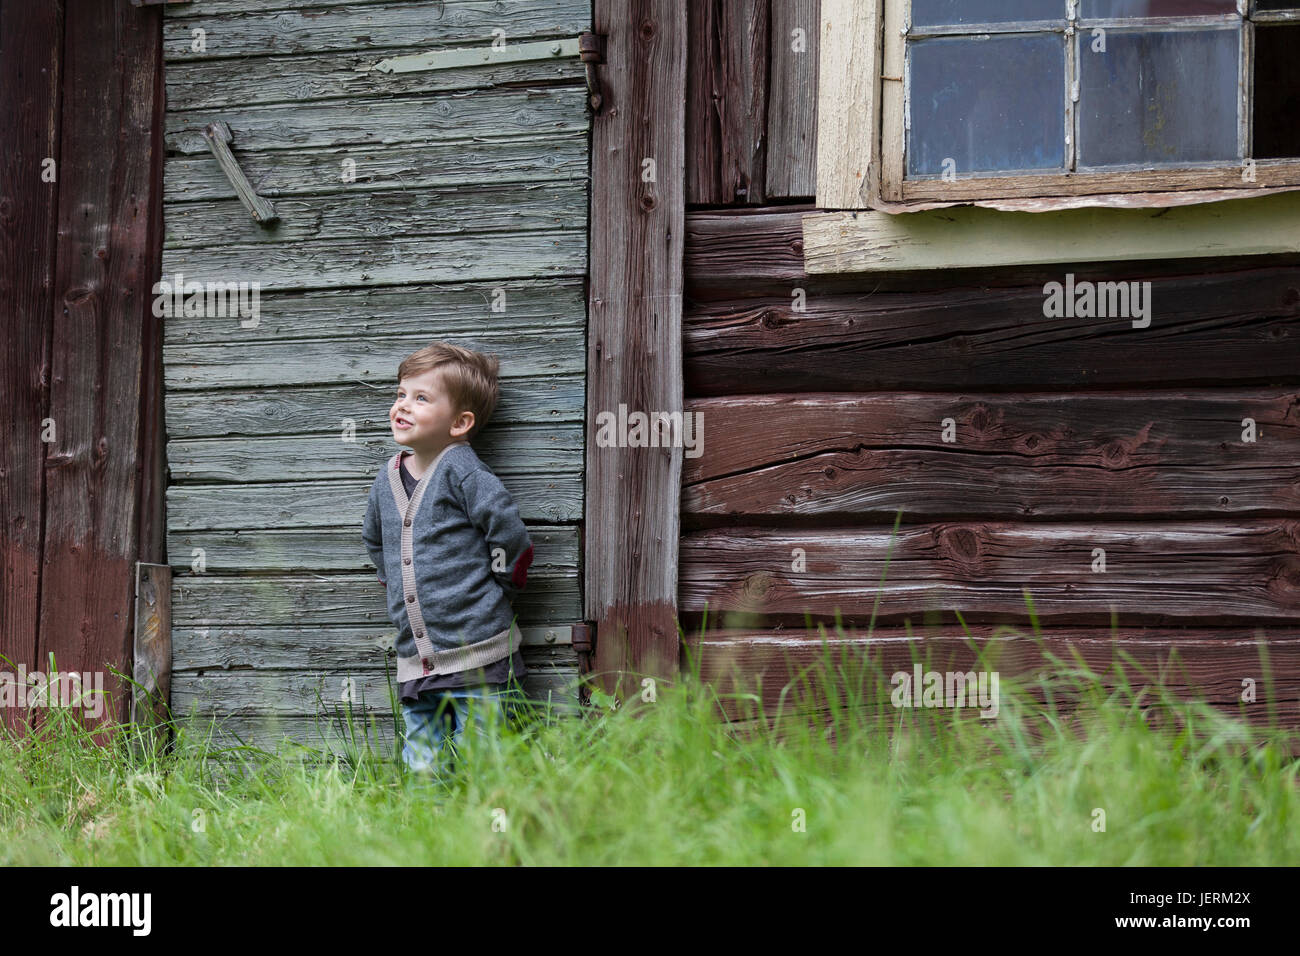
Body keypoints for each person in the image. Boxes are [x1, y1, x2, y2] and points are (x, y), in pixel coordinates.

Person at [362, 342, 533, 778]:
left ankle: (489, 832)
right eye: (401, 394)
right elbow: (375, 540)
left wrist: (502, 586)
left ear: (460, 423)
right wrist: (393, 584)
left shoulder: (463, 471)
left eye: (421, 398)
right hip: (417, 659)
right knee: (422, 762)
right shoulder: (386, 479)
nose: (403, 406)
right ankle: (427, 833)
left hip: (479, 649)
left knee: (483, 757)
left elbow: (510, 535)